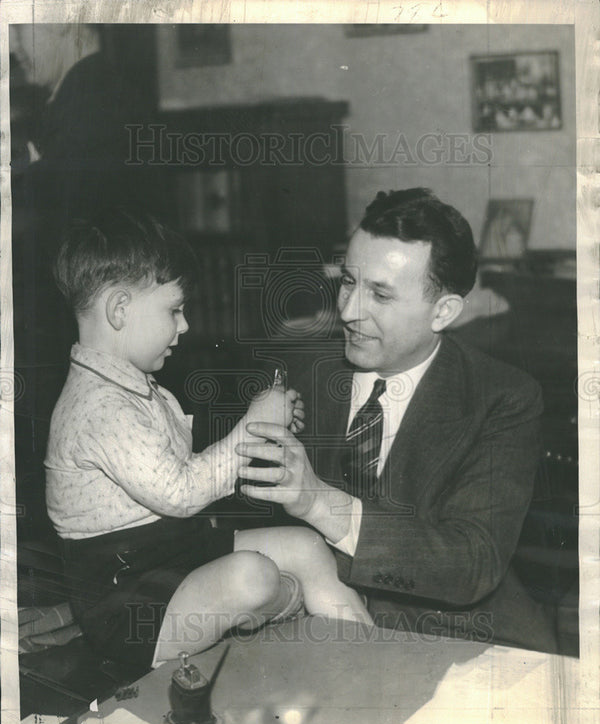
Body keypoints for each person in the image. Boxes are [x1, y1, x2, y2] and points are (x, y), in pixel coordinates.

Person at [45, 208, 372, 671]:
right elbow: (179, 493)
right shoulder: (98, 408)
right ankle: (286, 611)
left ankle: (373, 654)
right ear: (120, 310)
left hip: (179, 553)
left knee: (305, 544)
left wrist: (264, 425)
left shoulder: (130, 387)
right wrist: (250, 429)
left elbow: (184, 468)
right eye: (174, 309)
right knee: (252, 575)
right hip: (130, 601)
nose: (185, 326)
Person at [236, 188, 558, 653]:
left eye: (380, 295)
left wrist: (316, 501)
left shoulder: (502, 398)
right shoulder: (296, 369)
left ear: (443, 311)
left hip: (452, 635)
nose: (348, 312)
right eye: (348, 282)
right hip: (305, 622)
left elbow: (472, 563)